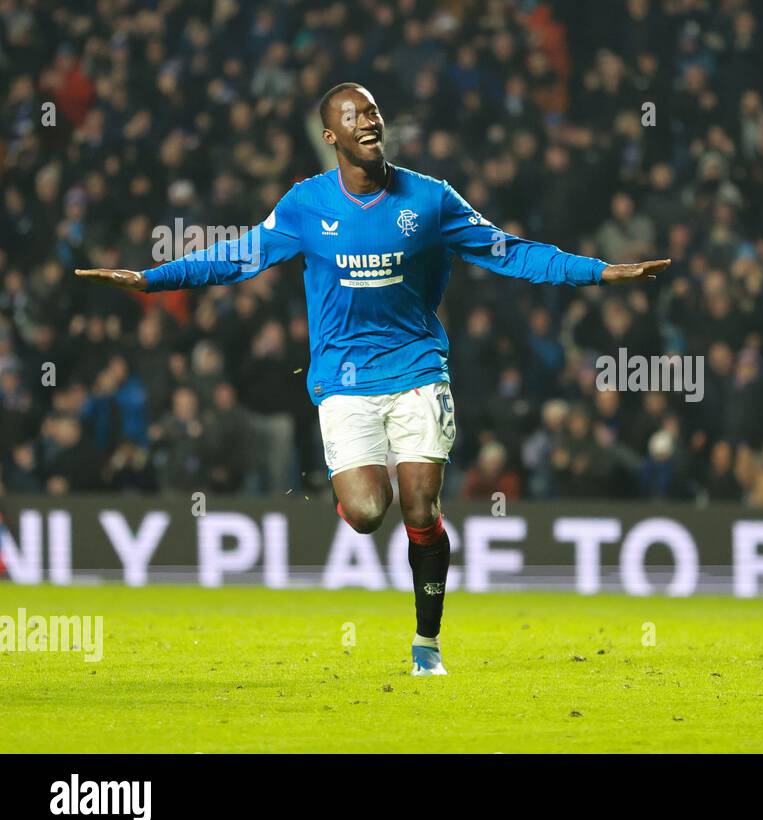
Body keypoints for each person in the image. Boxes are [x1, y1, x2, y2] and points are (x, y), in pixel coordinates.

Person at [75, 83, 669, 677]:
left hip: (415, 366)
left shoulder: (431, 200)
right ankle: (354, 496)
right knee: (366, 511)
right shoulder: (307, 205)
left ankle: (427, 643)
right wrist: (152, 279)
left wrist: (598, 273)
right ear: (331, 136)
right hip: (342, 376)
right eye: (352, 116)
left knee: (419, 503)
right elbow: (236, 255)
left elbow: (509, 251)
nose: (368, 123)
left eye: (374, 112)